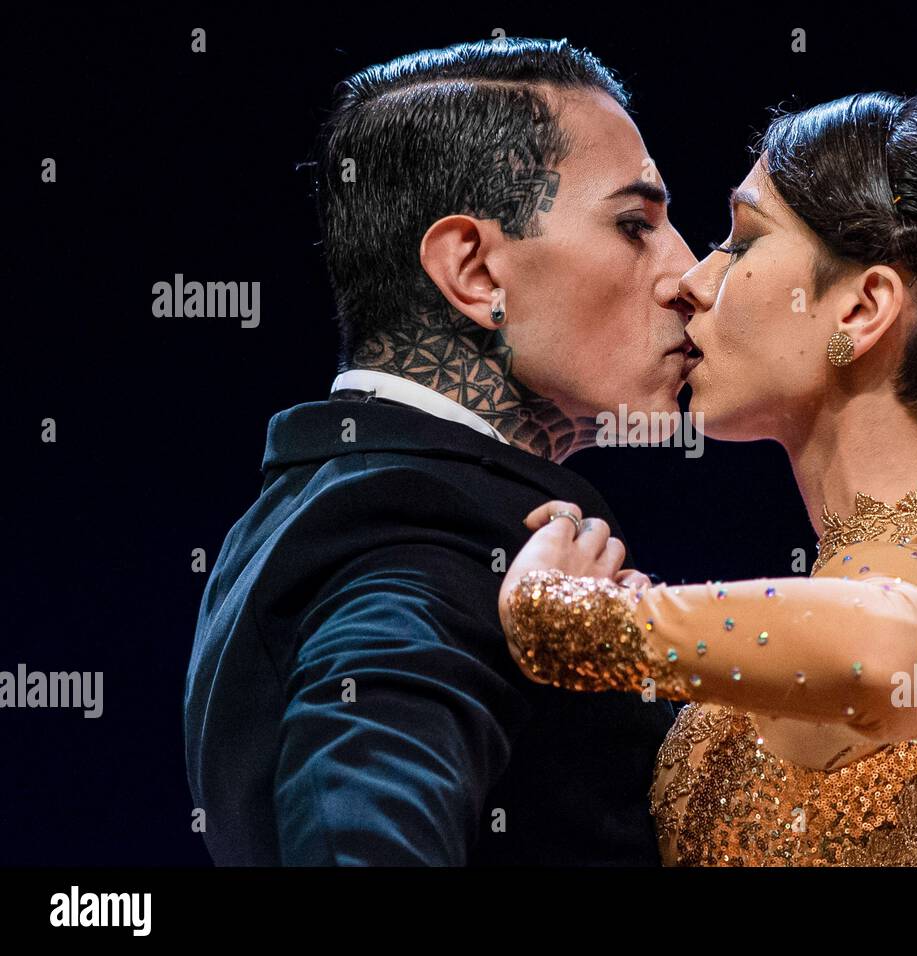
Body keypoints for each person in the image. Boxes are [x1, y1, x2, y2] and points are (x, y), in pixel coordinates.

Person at [499, 80, 917, 866]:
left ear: (862, 311)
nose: (693, 281)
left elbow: (892, 648)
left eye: (744, 240)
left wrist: (565, 616)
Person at [184, 38, 698, 865]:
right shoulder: (423, 540)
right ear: (474, 271)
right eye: (634, 224)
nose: (689, 274)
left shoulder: (327, 505)